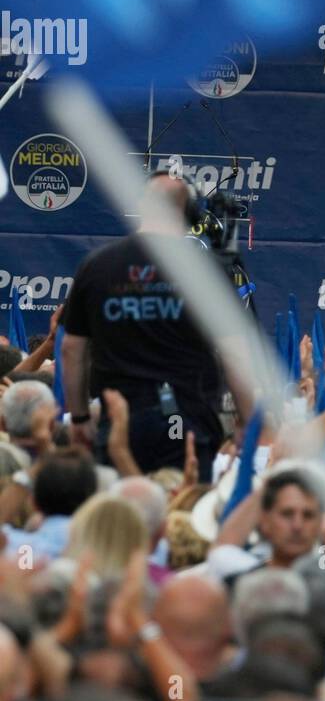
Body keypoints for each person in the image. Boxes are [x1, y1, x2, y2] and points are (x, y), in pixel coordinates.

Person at [60, 171, 247, 482]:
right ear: (189, 213)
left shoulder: (96, 265)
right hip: (185, 420)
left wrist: (79, 417)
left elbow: (71, 350)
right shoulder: (209, 269)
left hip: (121, 420)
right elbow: (234, 355)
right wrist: (247, 420)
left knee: (122, 516)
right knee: (181, 509)